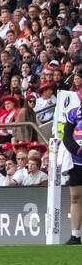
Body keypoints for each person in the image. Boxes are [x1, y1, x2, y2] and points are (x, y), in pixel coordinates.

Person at [61, 102, 82, 244]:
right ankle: (75, 236)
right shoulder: (74, 113)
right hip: (77, 161)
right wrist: (78, 150)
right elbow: (66, 137)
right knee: (75, 197)